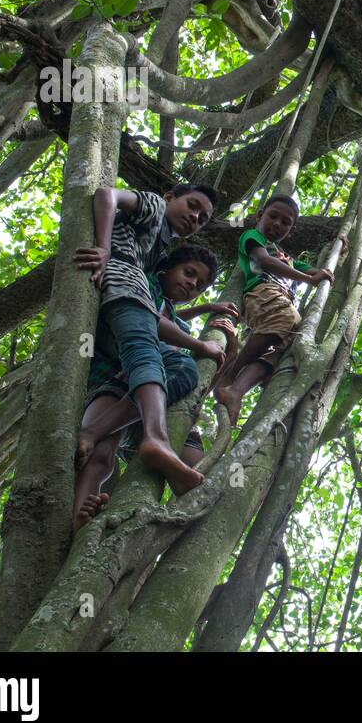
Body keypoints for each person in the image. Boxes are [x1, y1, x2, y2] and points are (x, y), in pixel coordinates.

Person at [72, 245, 237, 531]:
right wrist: (200, 344)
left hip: (156, 404)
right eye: (188, 273)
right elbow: (150, 320)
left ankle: (173, 524)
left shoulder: (176, 320)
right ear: (166, 269)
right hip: (116, 377)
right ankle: (79, 518)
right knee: (100, 454)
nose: (191, 285)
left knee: (201, 469)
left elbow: (202, 366)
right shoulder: (142, 282)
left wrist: (226, 343)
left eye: (199, 286)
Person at [72, 182, 220, 497]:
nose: (195, 217)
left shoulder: (156, 251)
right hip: (124, 293)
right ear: (169, 197)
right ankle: (155, 438)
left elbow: (165, 312)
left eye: (203, 218)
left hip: (114, 322)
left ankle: (80, 508)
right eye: (192, 206)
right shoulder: (154, 206)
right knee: (178, 366)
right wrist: (103, 248)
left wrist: (207, 308)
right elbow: (106, 194)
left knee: (106, 447)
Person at [214, 195, 333, 424]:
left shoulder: (288, 258)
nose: (277, 224)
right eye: (273, 216)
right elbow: (264, 261)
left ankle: (236, 390)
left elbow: (315, 272)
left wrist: (333, 261)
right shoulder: (253, 237)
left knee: (284, 347)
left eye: (285, 222)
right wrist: (308, 280)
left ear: (292, 230)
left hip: (281, 300)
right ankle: (231, 371)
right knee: (287, 321)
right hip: (262, 293)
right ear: (260, 216)